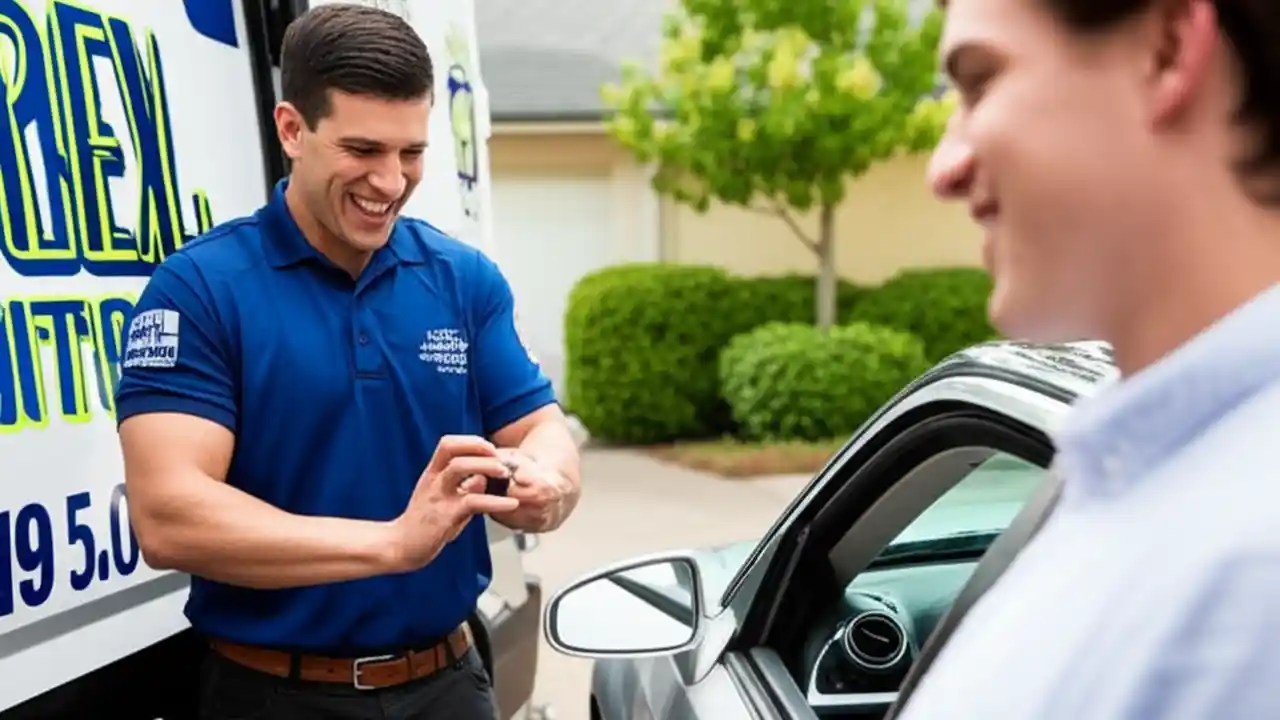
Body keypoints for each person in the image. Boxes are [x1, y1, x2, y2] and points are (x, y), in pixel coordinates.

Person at [114, 5, 581, 719]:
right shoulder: (201, 289)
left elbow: (540, 429)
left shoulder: (462, 279)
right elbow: (169, 517)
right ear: (292, 130)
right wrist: (391, 544)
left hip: (450, 685)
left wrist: (551, 483)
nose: (391, 182)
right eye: (363, 150)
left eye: (411, 153)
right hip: (273, 696)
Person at [892, 0, 1280, 718]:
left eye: (980, 82)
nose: (944, 169)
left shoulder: (1255, 576)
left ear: (1166, 49)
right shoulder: (1141, 478)